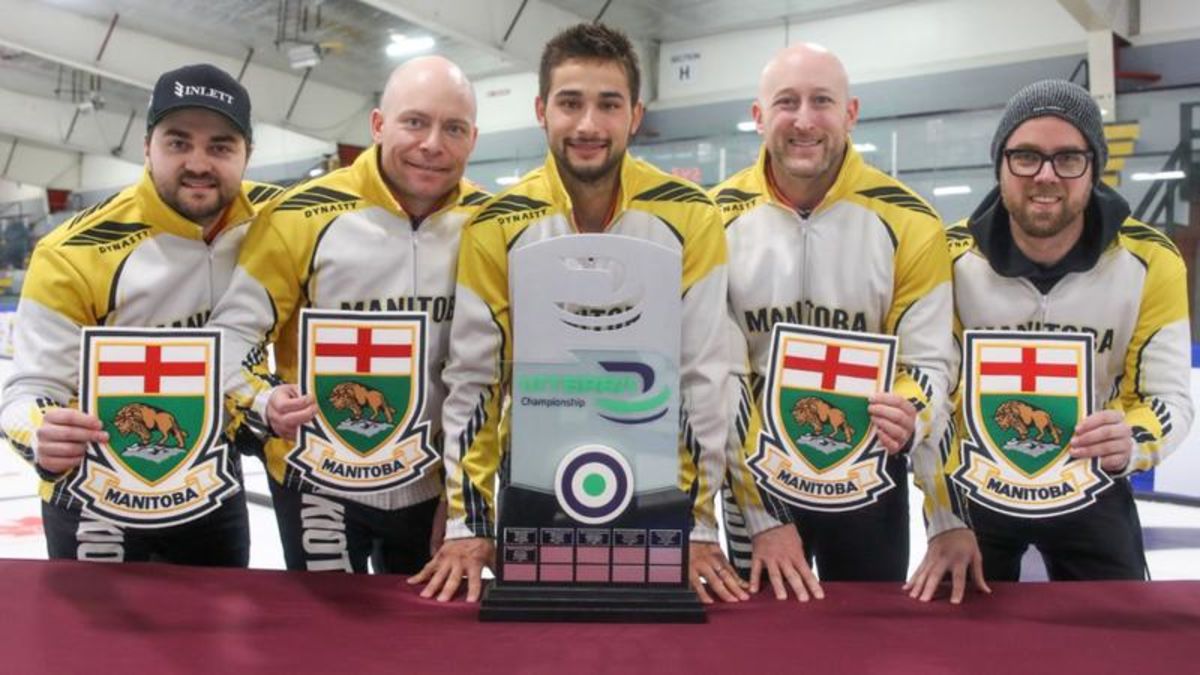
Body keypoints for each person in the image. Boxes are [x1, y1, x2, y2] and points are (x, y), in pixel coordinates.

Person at [413, 22, 743, 604]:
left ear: (635, 115)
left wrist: (696, 522)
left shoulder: (692, 216)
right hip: (536, 484)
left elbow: (704, 377)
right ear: (542, 110)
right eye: (570, 103)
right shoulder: (496, 223)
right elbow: (475, 382)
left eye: (608, 105)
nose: (588, 125)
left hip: (656, 488)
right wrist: (471, 525)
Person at [714, 43, 984, 603]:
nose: (804, 119)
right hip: (755, 480)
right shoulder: (712, 220)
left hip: (869, 476)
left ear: (851, 113)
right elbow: (716, 376)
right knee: (754, 645)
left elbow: (931, 362)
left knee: (863, 645)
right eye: (786, 102)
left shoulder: (910, 221)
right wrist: (764, 517)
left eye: (822, 101)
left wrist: (911, 411)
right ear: (759, 116)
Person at [208, 56, 488, 574]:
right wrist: (262, 401)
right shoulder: (299, 217)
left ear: (473, 138)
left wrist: (468, 499)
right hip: (316, 479)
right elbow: (227, 338)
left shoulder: (492, 223)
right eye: (415, 122)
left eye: (453, 128)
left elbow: (502, 377)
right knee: (326, 643)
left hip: (435, 482)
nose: (432, 143)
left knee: (428, 645)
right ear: (378, 125)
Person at [0, 63, 277, 565]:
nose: (198, 162)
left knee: (216, 641)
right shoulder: (73, 250)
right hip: (92, 495)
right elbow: (25, 391)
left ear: (247, 155)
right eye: (177, 142)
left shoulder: (280, 223)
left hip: (211, 487)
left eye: (220, 146)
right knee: (96, 647)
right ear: (147, 146)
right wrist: (41, 433)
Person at [945, 79, 1192, 580]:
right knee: (960, 647)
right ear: (1000, 164)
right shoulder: (947, 256)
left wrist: (1133, 438)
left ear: (1095, 168)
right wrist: (941, 511)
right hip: (974, 480)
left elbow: (1170, 396)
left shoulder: (1152, 259)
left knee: (1117, 644)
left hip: (1094, 476)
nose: (1046, 176)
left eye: (1069, 158)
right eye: (1026, 156)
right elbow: (932, 383)